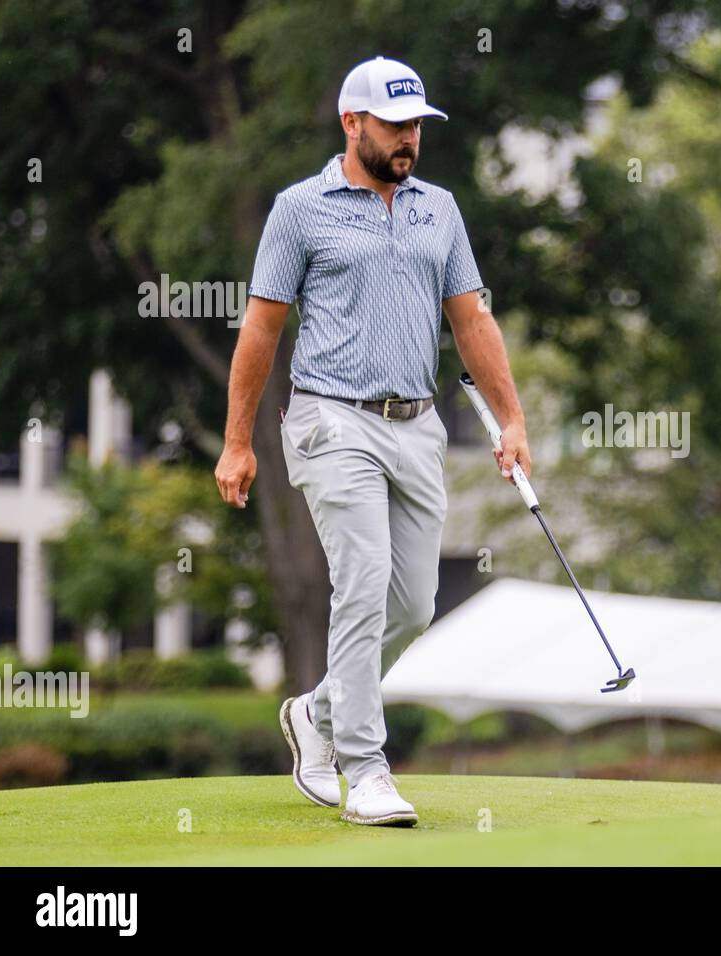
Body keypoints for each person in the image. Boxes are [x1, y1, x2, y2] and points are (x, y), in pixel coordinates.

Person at [214, 56, 531, 826]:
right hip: (331, 420)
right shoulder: (299, 210)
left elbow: (472, 320)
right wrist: (237, 442)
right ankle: (366, 770)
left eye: (416, 124)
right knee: (361, 581)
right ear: (351, 122)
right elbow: (261, 329)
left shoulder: (439, 210)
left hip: (416, 425)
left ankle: (315, 713)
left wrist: (512, 420)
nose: (407, 138)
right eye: (393, 125)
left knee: (414, 605)